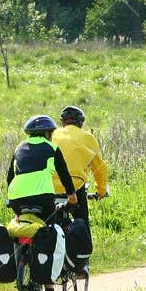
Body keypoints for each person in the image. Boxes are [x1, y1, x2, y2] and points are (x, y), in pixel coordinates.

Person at [7, 115, 78, 291]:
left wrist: (12, 198)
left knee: (22, 224)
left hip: (16, 198)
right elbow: (64, 175)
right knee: (49, 234)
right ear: (48, 133)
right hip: (43, 199)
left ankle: (21, 258)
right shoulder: (52, 148)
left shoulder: (19, 148)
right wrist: (72, 198)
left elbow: (10, 177)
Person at [50, 104, 110, 271]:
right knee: (81, 220)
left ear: (62, 123)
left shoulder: (52, 134)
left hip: (48, 186)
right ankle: (82, 265)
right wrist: (101, 191)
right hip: (74, 186)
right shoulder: (87, 137)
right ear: (81, 123)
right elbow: (99, 168)